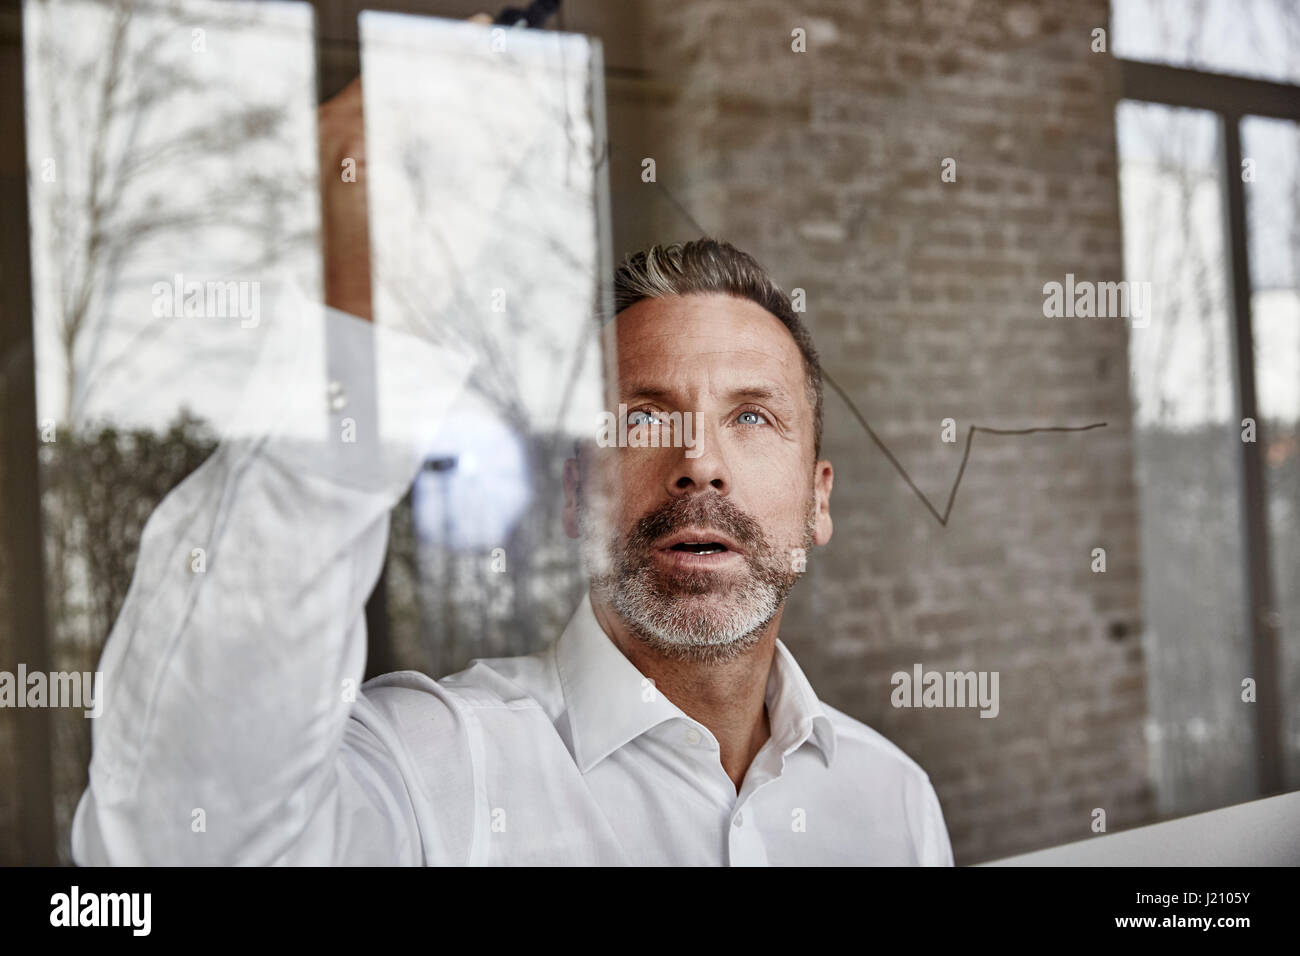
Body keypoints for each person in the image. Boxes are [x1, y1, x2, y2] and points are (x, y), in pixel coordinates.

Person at [70, 42, 953, 865]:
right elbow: (185, 841)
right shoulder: (432, 771)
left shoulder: (895, 801)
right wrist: (357, 330)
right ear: (574, 497)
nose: (700, 462)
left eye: (752, 417)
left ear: (818, 500)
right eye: (643, 418)